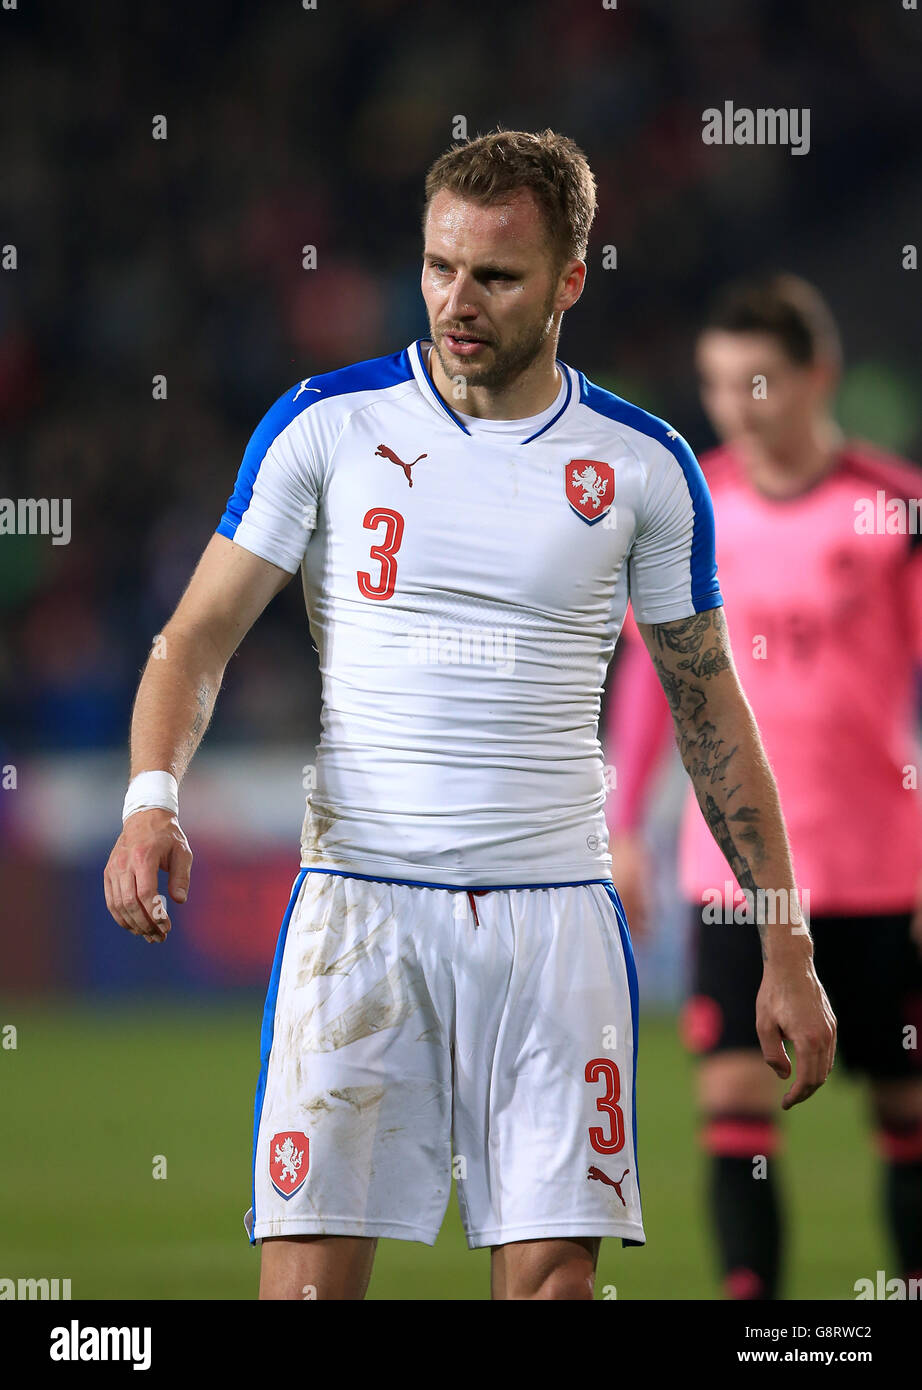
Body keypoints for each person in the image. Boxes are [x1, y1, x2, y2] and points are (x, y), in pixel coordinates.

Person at [103, 133, 835, 1301]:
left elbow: (711, 719)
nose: (457, 300)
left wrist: (786, 943)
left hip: (555, 923)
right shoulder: (325, 425)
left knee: (550, 1292)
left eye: (495, 276)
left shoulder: (642, 466)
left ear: (570, 279)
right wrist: (151, 800)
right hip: (361, 909)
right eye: (440, 266)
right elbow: (192, 638)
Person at [606, 273, 922, 1300]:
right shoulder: (685, 507)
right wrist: (620, 825)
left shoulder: (892, 509)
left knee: (906, 1113)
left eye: (756, 382)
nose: (731, 405)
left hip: (882, 869)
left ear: (816, 376)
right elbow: (654, 682)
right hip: (735, 871)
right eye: (713, 382)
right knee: (733, 1100)